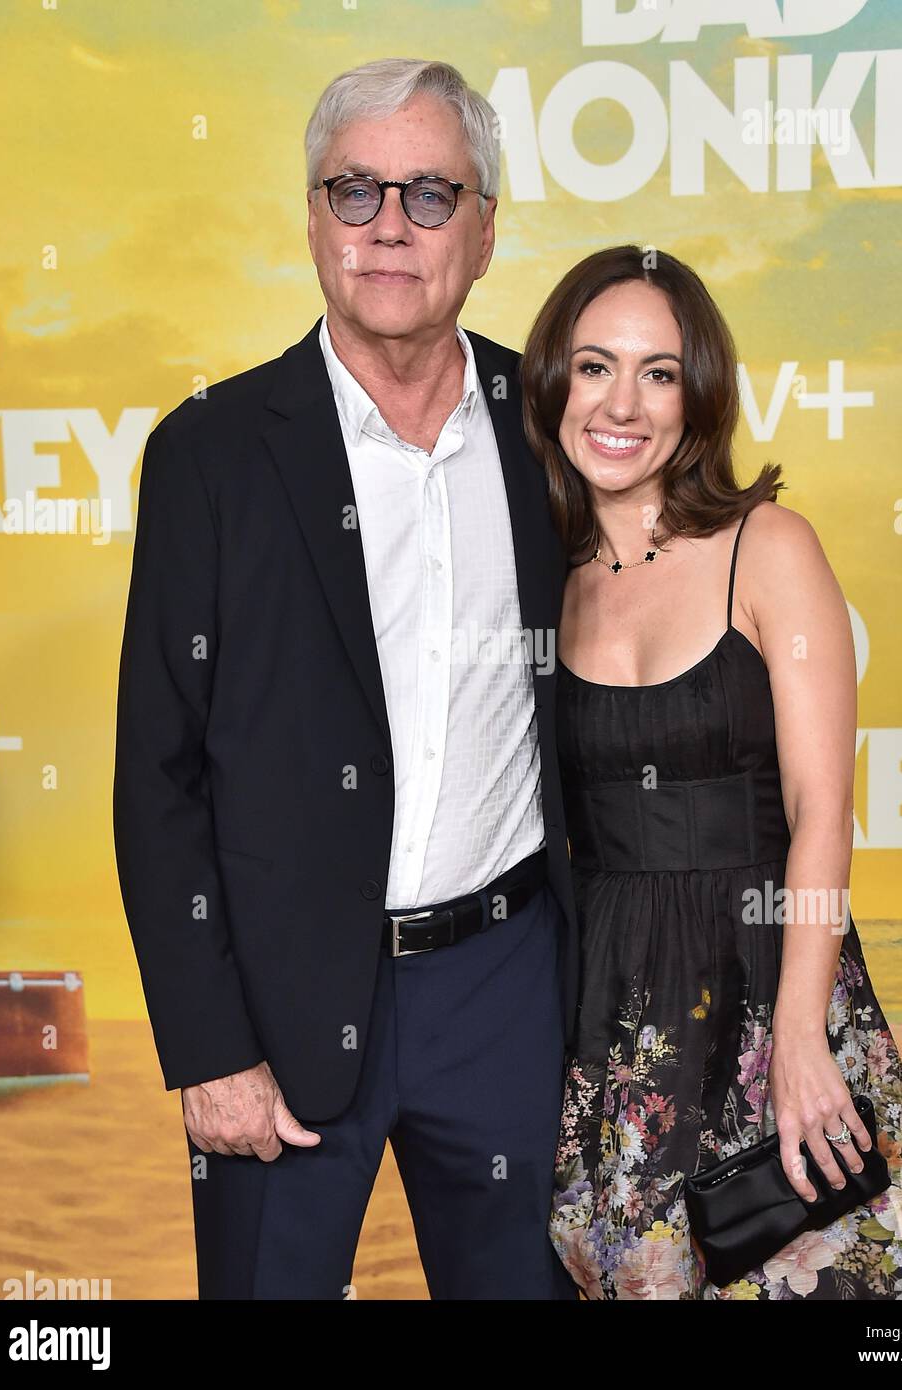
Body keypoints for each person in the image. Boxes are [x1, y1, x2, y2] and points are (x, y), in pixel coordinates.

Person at [113, 58, 580, 1300]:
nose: (388, 225)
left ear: (485, 229)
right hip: (272, 1007)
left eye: (430, 194)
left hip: (506, 997)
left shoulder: (555, 428)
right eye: (354, 190)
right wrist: (207, 1048)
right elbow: (156, 777)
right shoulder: (208, 454)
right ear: (312, 218)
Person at [520, 245, 902, 1300]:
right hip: (608, 1010)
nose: (622, 402)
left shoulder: (769, 547)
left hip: (768, 980)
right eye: (593, 366)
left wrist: (800, 1039)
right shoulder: (540, 574)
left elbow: (819, 811)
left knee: (824, 1269)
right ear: (552, 384)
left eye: (658, 372)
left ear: (696, 395)